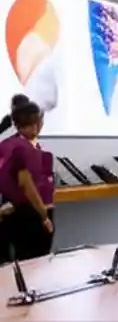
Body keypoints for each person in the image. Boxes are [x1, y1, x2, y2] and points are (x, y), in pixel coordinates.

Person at [0, 95, 54, 262]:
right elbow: (26, 184)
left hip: (20, 208)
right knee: (34, 261)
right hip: (29, 212)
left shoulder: (22, 145)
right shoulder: (20, 148)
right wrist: (43, 215)